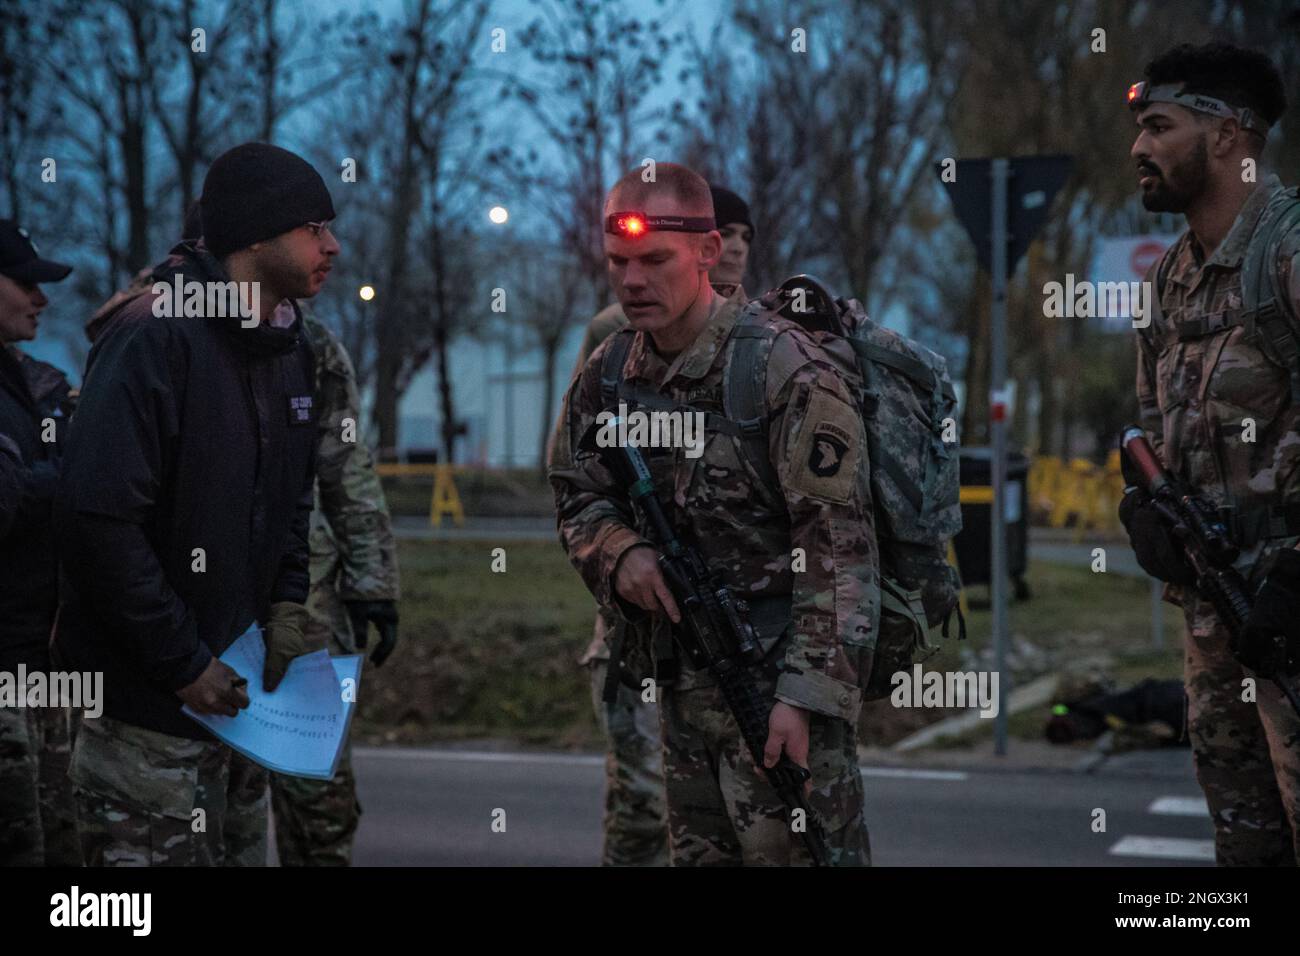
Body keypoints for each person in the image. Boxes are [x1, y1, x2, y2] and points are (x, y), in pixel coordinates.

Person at [549, 162, 876, 865]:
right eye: (618, 263)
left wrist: (805, 699)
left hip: (781, 694)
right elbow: (576, 487)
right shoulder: (610, 373)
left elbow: (840, 553)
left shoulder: (782, 369)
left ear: (707, 252)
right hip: (681, 690)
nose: (632, 281)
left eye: (655, 260)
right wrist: (617, 548)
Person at [53, 142, 337, 866]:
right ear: (254, 236)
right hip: (144, 722)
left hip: (233, 715)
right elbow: (97, 521)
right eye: (313, 228)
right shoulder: (155, 335)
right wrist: (181, 661)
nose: (332, 246)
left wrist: (284, 608)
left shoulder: (286, 345)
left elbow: (289, 502)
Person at [1124, 42, 1300, 865]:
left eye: (1158, 126)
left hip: (1292, 613)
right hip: (1215, 619)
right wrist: (1144, 513)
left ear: (1231, 136)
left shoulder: (1288, 251)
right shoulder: (1172, 280)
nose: (1138, 149)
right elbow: (1150, 427)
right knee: (1243, 846)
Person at [559, 185, 755, 867]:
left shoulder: (770, 347)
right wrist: (620, 552)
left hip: (748, 639)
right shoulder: (616, 343)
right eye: (722, 230)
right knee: (647, 809)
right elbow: (576, 478)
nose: (732, 244)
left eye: (742, 234)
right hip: (641, 634)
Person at [269, 313, 400, 866]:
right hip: (193, 616)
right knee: (212, 812)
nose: (329, 247)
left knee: (319, 805)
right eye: (309, 229)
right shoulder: (161, 319)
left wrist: (374, 581)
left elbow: (344, 460)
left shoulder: (311, 341)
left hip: (308, 606)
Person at [0, 220, 80, 867]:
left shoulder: (27, 383)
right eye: (27, 282)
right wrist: (62, 479)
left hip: (38, 659)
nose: (41, 300)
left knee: (58, 845)